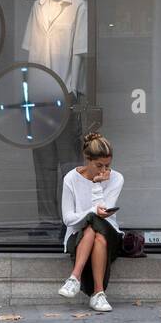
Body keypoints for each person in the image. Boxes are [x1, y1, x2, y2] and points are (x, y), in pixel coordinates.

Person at [57, 132, 123, 313]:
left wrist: (97, 183)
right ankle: (98, 294)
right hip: (77, 235)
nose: (103, 170)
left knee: (96, 224)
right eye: (99, 165)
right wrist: (92, 211)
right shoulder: (71, 178)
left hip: (110, 233)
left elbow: (104, 213)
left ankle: (74, 278)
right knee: (93, 229)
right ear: (87, 159)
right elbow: (68, 218)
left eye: (107, 165)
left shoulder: (116, 178)